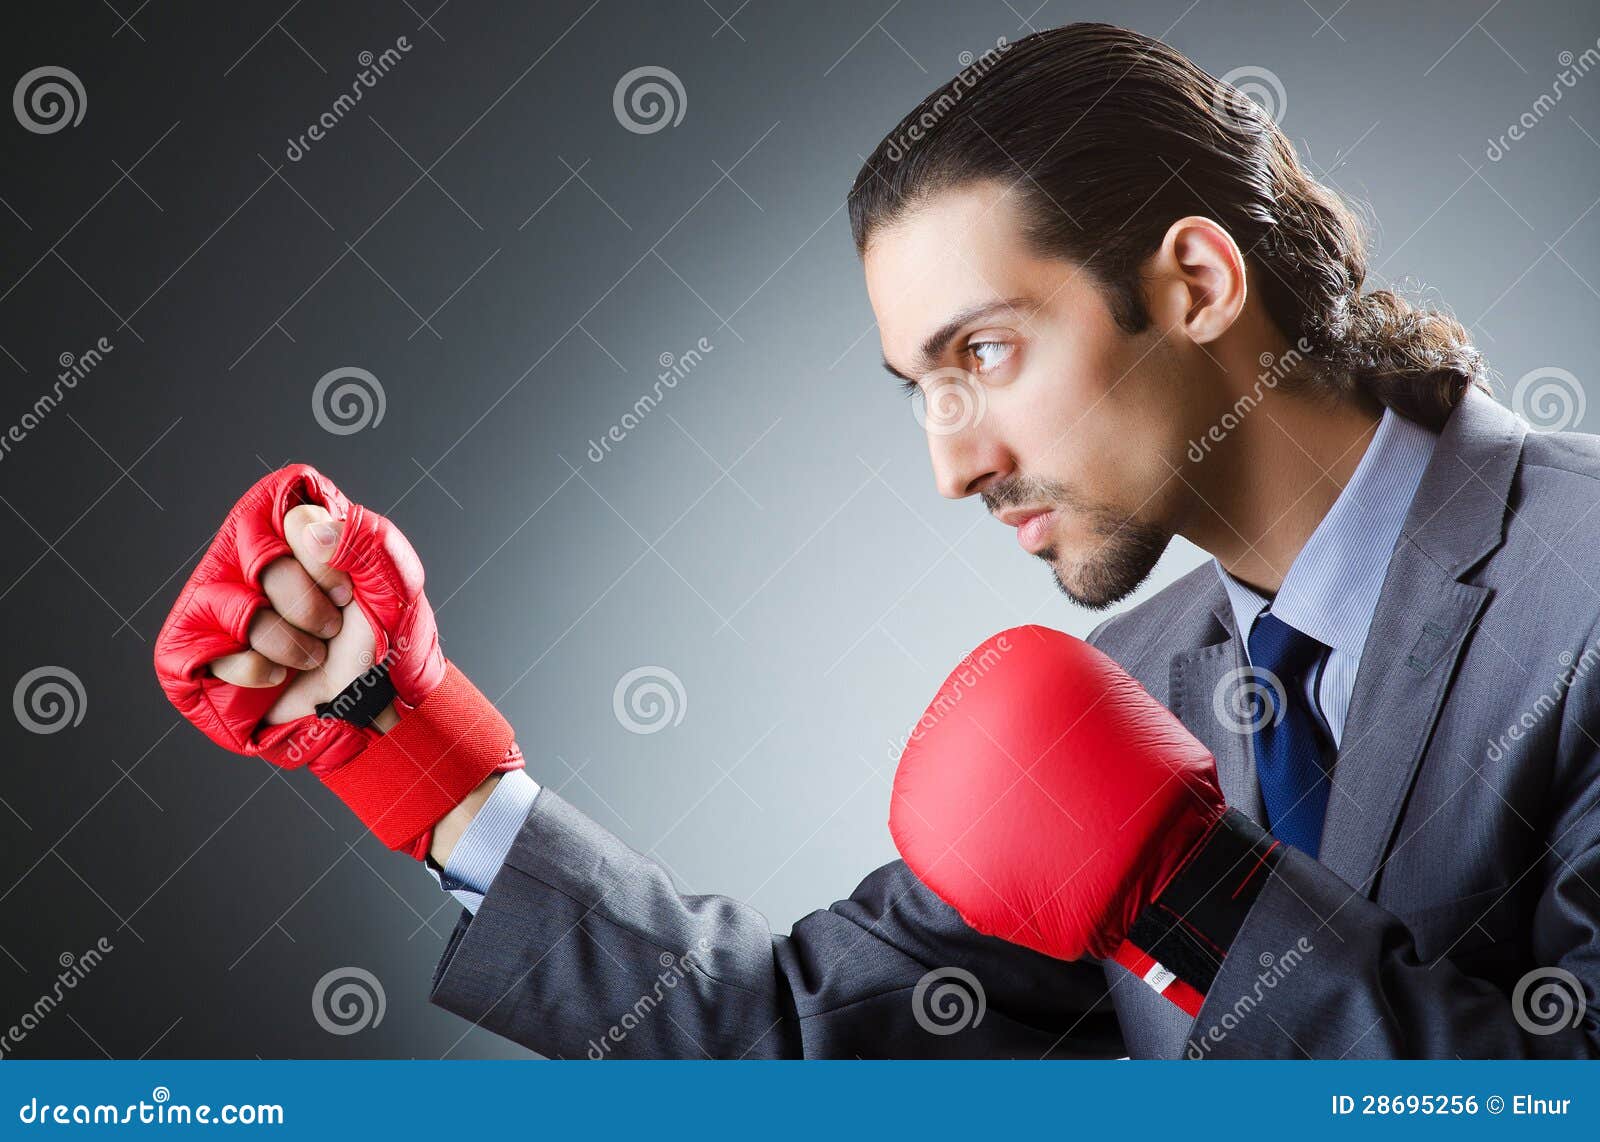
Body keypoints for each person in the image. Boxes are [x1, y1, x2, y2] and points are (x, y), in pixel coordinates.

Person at [154, 23, 1599, 1058]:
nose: (955, 463)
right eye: (923, 392)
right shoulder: (1132, 689)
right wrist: (407, 746)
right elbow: (795, 1042)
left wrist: (1200, 900)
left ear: (1199, 281)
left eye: (985, 353)